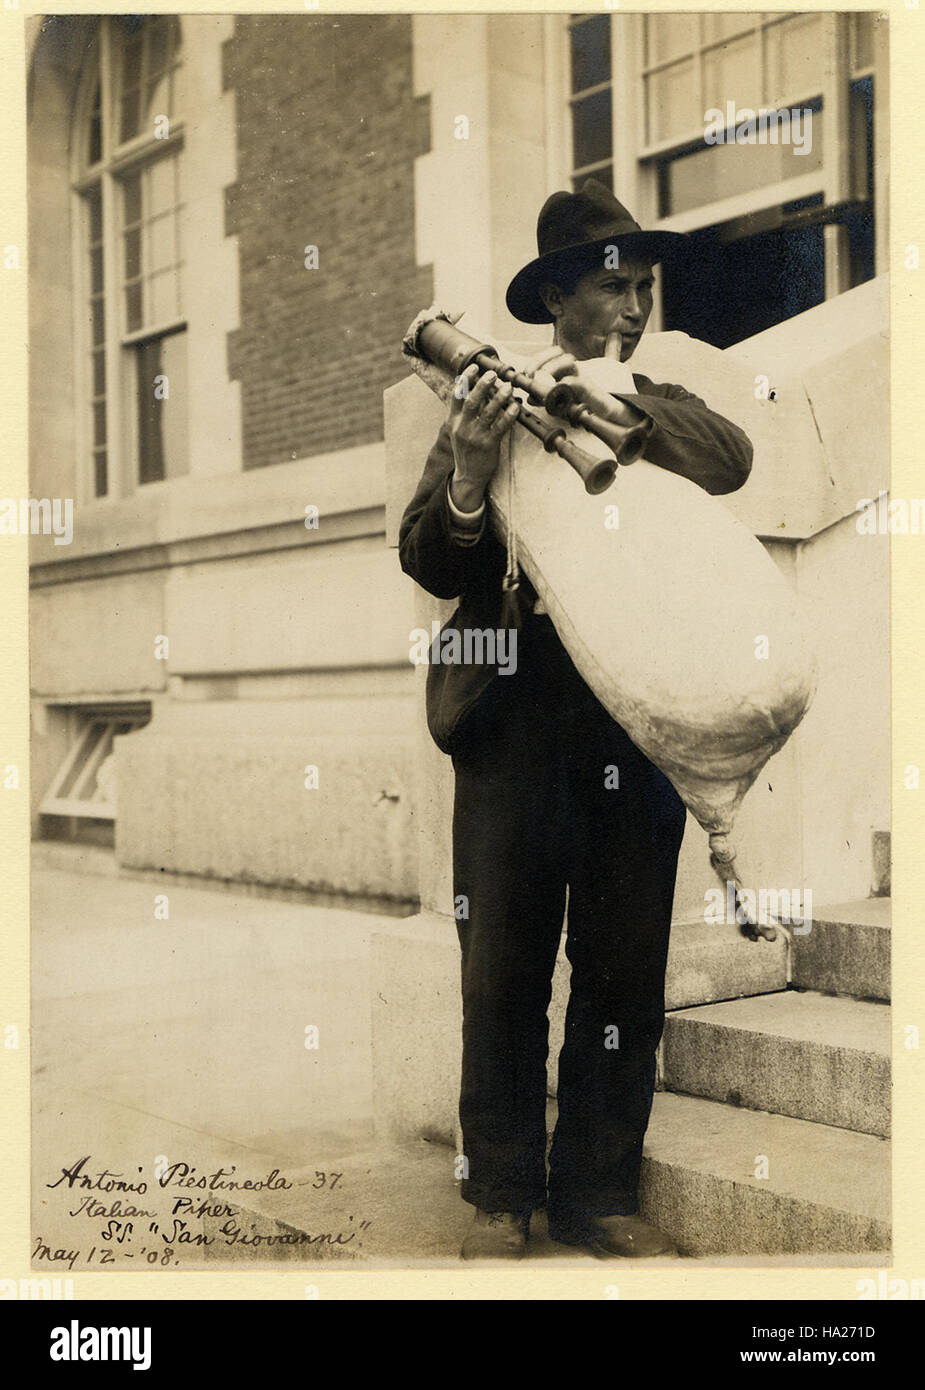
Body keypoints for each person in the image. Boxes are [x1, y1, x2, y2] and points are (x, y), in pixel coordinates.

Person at [398, 179, 753, 1260]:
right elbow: (428, 554)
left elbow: (733, 456)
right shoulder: (489, 397)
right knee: (501, 965)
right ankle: (502, 1196)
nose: (632, 307)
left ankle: (598, 1193)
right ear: (555, 299)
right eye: (610, 287)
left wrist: (620, 414)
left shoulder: (655, 400)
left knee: (621, 964)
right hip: (512, 717)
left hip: (630, 722)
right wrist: (468, 470)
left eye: (641, 286)